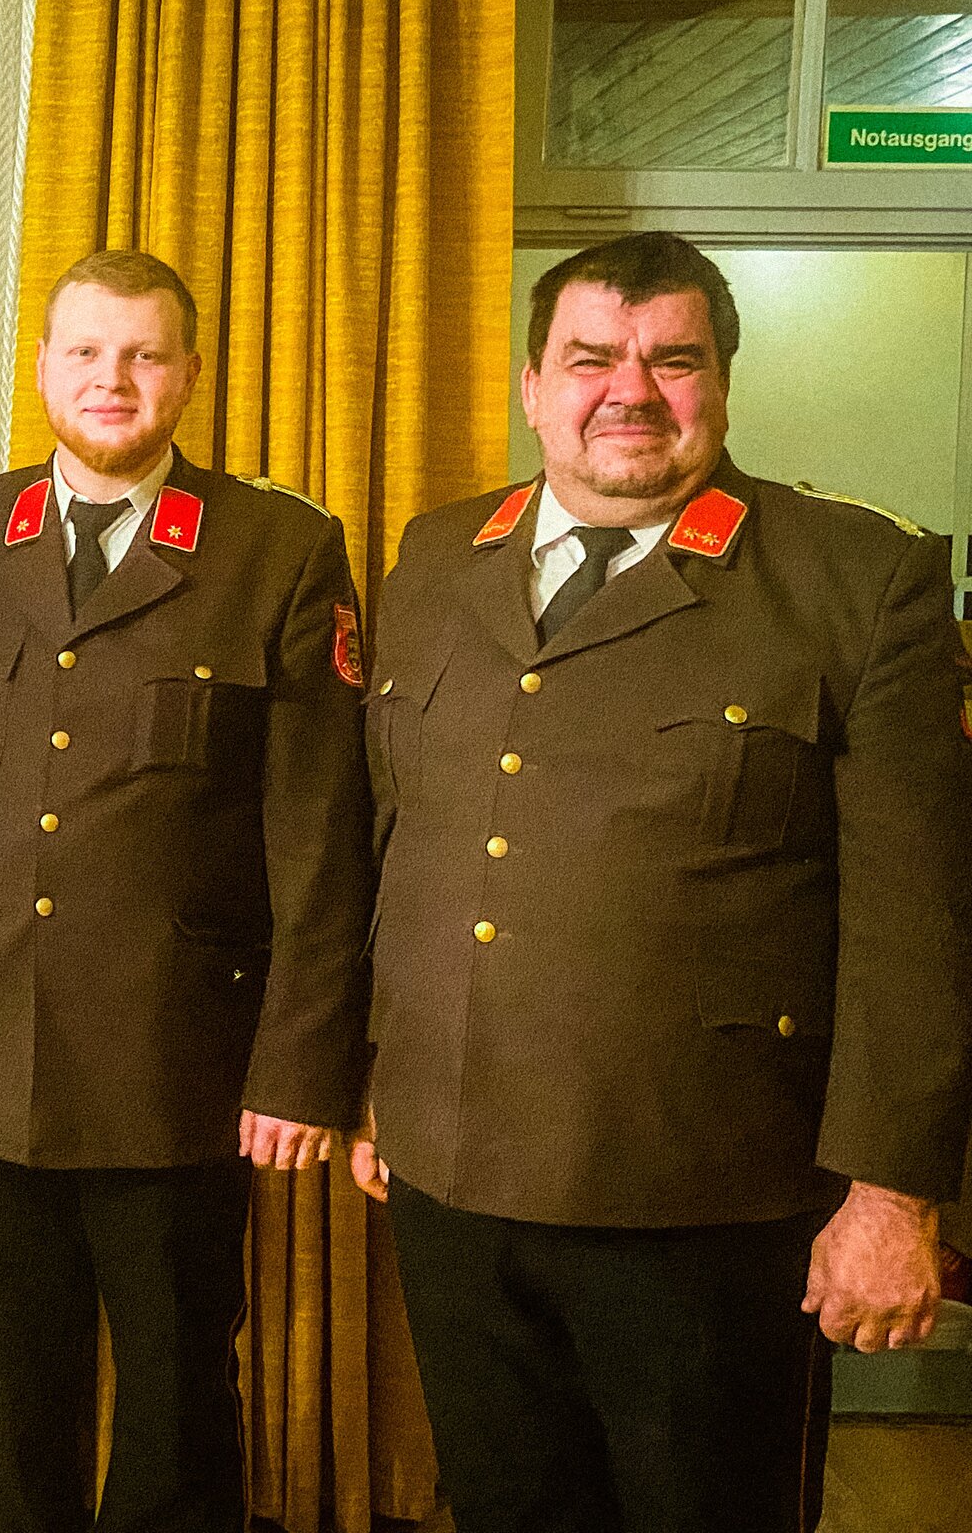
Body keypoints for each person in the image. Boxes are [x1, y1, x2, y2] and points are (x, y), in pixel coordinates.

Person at [353, 231, 972, 1531]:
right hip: (454, 1170)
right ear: (533, 385)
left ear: (722, 385)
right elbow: (401, 836)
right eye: (590, 358)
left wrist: (894, 1191)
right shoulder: (438, 554)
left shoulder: (856, 580)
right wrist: (375, 1080)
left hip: (711, 1196)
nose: (629, 389)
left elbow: (919, 917)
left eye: (672, 360)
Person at [0, 250, 375, 1533]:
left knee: (180, 1384)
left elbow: (320, 831)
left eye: (143, 353)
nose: (111, 379)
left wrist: (298, 1063)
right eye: (84, 351)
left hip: (177, 1059)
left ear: (188, 374)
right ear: (40, 367)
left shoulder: (278, 546)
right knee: (10, 1382)